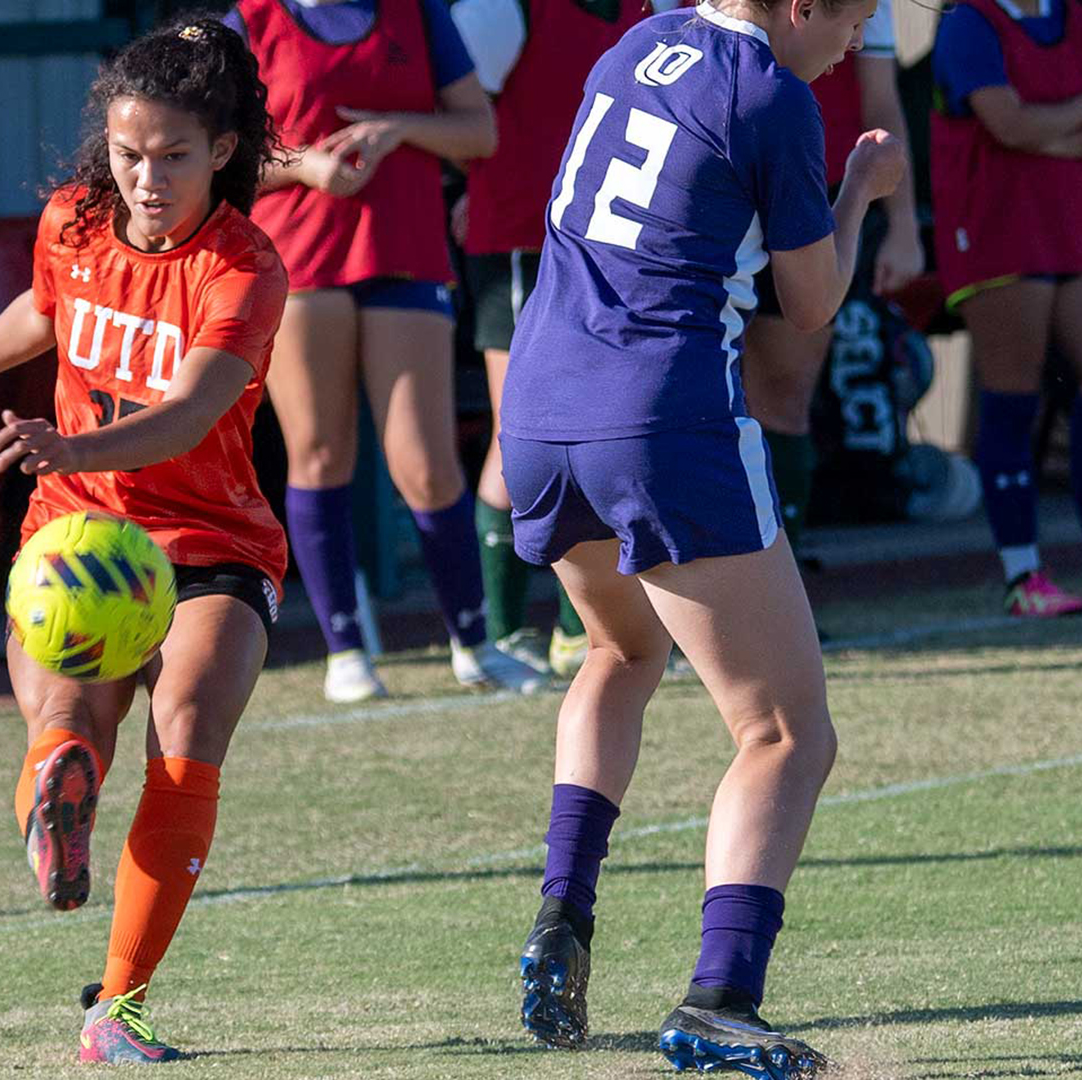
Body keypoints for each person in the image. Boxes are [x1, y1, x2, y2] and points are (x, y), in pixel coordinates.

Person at [495, 0, 903, 1075]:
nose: (857, 41)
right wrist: (858, 195)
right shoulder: (769, 91)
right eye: (856, 15)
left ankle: (560, 922)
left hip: (539, 408)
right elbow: (808, 307)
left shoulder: (637, 41)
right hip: (660, 416)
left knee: (620, 652)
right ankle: (722, 998)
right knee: (785, 732)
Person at [0, 20, 288, 1065]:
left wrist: (66, 442)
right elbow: (45, 307)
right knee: (72, 721)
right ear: (102, 147)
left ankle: (117, 998)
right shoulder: (73, 220)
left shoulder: (243, 266)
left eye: (172, 157)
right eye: (127, 153)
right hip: (80, 532)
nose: (146, 178)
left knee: (189, 721)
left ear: (223, 150)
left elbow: (194, 411)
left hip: (209, 535)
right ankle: (70, 824)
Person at [223, 0, 545, 703]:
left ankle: (474, 642)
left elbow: (479, 132)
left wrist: (399, 130)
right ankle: (346, 651)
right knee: (318, 455)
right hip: (298, 260)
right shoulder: (248, 20)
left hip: (405, 251)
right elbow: (215, 155)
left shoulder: (419, 12)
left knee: (427, 466)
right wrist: (304, 166)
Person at [449, 0, 648, 680]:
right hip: (521, 239)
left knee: (600, 432)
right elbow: (464, 115)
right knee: (522, 432)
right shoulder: (503, 10)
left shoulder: (657, 12)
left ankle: (577, 628)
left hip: (610, 250)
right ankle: (501, 630)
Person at [742, 0, 924, 567]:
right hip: (714, 198)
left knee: (783, 398)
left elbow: (880, 103)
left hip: (808, 194)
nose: (853, 43)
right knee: (684, 403)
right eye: (854, 24)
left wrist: (901, 223)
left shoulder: (803, 92)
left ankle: (779, 582)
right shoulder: (745, 67)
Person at [931, 0, 1082, 616]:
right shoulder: (969, 22)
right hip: (996, 229)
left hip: (1068, 222)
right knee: (1013, 399)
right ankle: (1024, 575)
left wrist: (1043, 129)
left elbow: (1025, 127)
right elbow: (1008, 126)